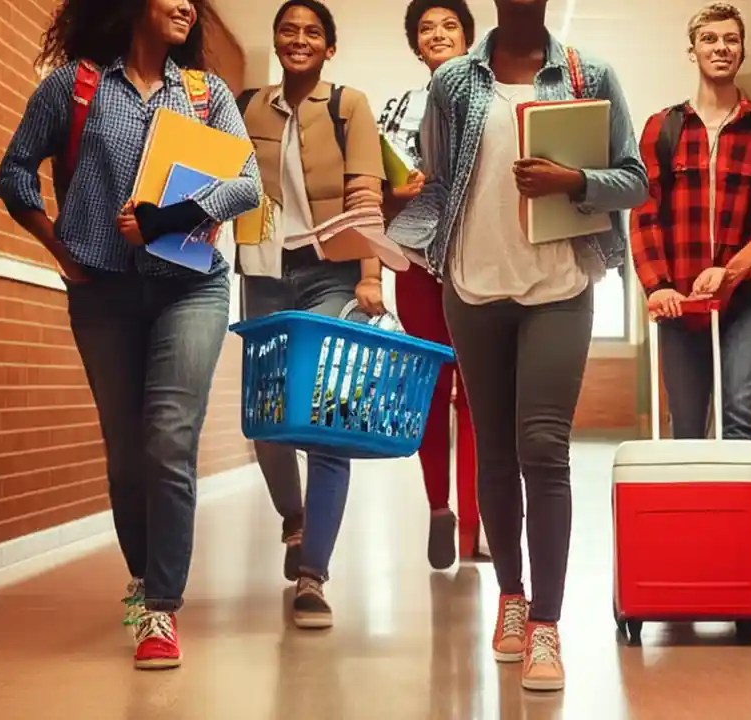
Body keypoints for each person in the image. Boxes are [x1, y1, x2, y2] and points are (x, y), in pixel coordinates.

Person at [389, 0, 648, 692]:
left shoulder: (589, 74)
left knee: (543, 446)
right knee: (496, 451)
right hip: (473, 285)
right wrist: (388, 220)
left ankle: (546, 627)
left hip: (560, 284)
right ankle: (510, 597)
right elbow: (441, 186)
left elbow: (636, 179)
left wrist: (576, 182)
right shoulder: (454, 84)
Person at [0, 0, 260, 669]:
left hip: (192, 287)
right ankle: (143, 578)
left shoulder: (206, 93)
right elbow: (15, 173)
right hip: (104, 293)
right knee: (125, 450)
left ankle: (161, 611)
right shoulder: (74, 87)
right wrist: (62, 251)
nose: (186, 6)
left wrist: (167, 218)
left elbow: (247, 183)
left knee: (169, 436)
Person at [233, 0, 386, 630]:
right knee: (266, 421)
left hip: (332, 272)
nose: (300, 40)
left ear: (329, 47)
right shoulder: (246, 108)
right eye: (289, 30)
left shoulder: (349, 105)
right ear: (276, 41)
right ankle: (294, 522)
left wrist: (372, 276)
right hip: (265, 273)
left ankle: (313, 575)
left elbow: (366, 193)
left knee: (326, 418)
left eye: (312, 32)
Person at [631, 2, 751, 441]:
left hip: (745, 300)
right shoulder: (663, 128)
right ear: (693, 51)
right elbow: (644, 211)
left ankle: (735, 511)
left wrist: (732, 273)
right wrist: (657, 285)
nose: (721, 47)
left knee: (740, 415)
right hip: (680, 298)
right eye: (710, 39)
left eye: (731, 39)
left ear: (742, 51)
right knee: (686, 426)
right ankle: (693, 510)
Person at [378, 0, 485, 570]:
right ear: (416, 45)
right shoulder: (397, 107)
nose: (438, 35)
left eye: (449, 26)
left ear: (468, 39)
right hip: (418, 259)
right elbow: (375, 189)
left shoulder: (491, 101)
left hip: (478, 262)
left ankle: (474, 523)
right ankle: (439, 510)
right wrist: (398, 191)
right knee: (429, 386)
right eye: (426, 29)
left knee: (476, 395)